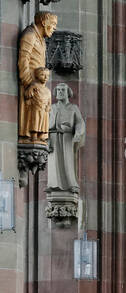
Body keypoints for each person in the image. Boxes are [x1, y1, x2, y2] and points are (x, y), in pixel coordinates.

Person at [18, 11, 58, 142]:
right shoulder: (30, 35)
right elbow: (23, 60)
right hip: (31, 88)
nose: (54, 28)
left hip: (39, 87)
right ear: (43, 22)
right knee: (33, 122)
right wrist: (29, 84)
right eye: (52, 24)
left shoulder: (40, 39)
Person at [47, 83, 85, 194]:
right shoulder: (52, 108)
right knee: (54, 162)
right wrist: (46, 139)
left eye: (62, 90)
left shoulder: (73, 108)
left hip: (67, 137)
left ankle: (71, 184)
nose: (60, 92)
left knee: (68, 161)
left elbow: (80, 122)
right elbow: (44, 125)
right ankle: (53, 184)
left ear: (68, 92)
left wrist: (78, 133)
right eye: (58, 90)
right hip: (53, 137)